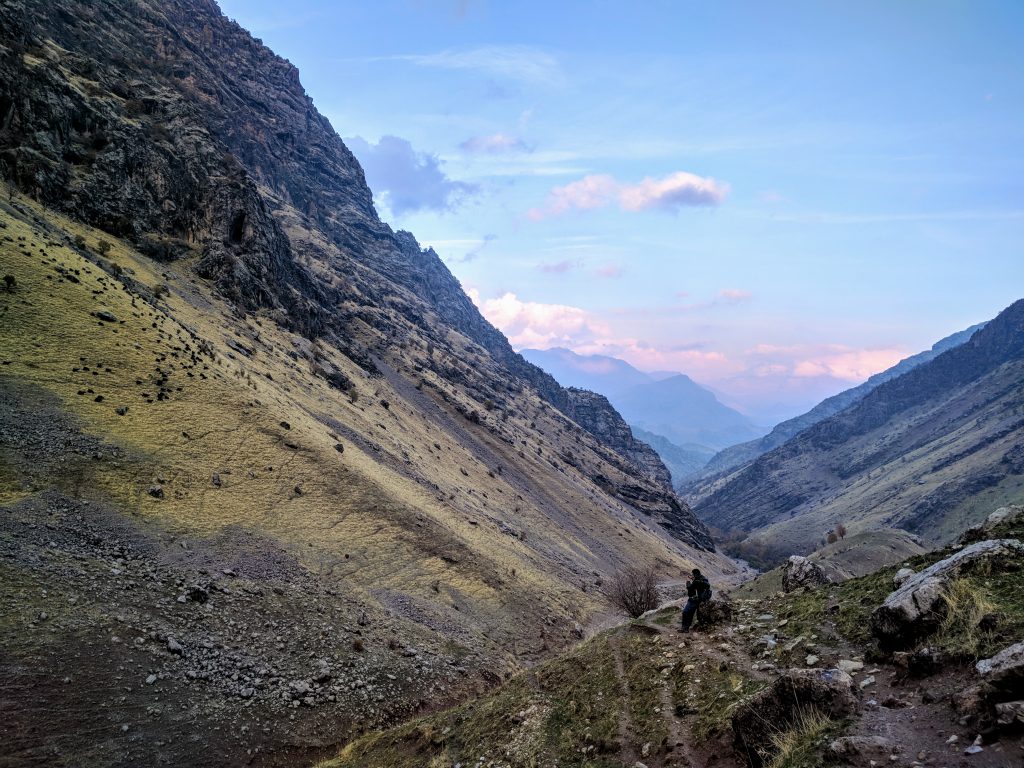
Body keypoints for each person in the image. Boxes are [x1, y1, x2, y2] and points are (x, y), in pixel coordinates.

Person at [680, 568, 711, 632]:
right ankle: (690, 628)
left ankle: (685, 628)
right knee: (695, 615)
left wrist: (688, 581)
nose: (692, 575)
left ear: (695, 574)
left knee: (686, 612)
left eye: (692, 574)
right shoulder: (702, 579)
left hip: (694, 600)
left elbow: (689, 588)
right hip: (699, 600)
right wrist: (694, 579)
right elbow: (704, 585)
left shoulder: (697, 581)